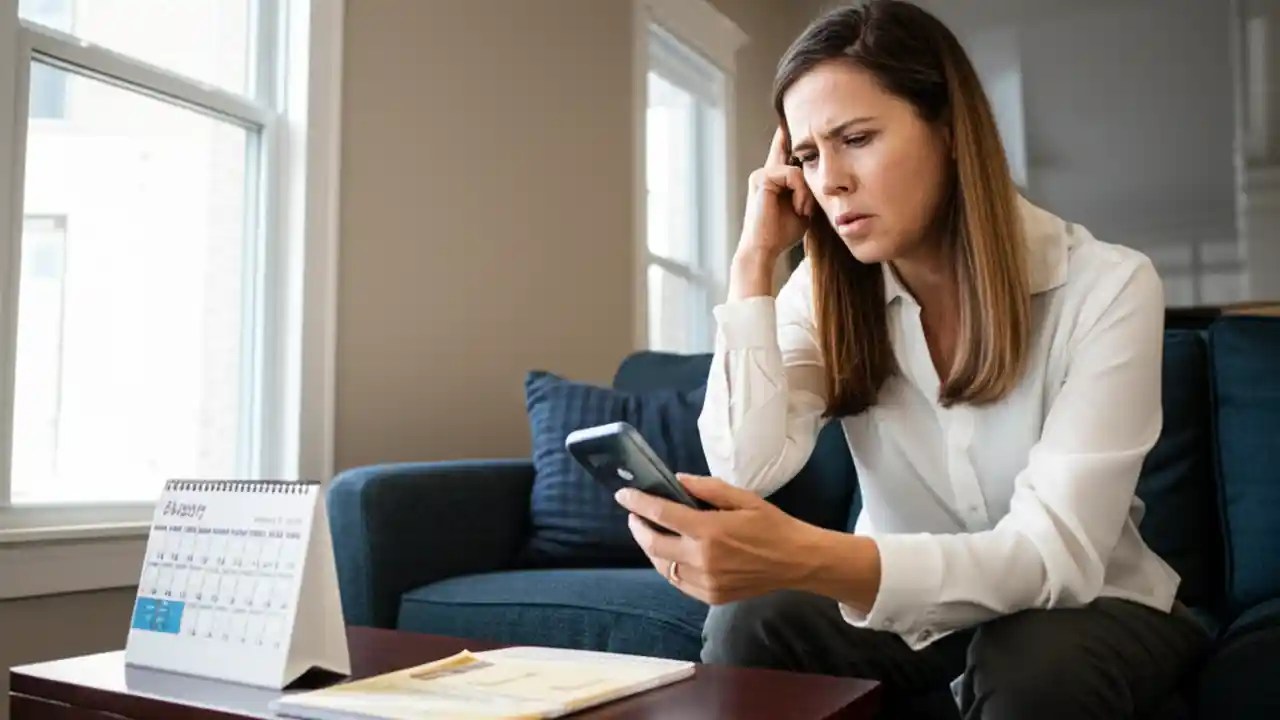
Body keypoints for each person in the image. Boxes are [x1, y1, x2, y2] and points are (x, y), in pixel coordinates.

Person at [612, 1, 1209, 718]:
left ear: (951, 132)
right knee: (751, 618)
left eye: (856, 138)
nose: (828, 181)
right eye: (807, 155)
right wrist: (753, 263)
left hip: (1091, 602)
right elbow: (746, 467)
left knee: (1034, 664)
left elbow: (1053, 556)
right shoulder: (825, 293)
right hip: (911, 612)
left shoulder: (1109, 285)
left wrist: (806, 555)